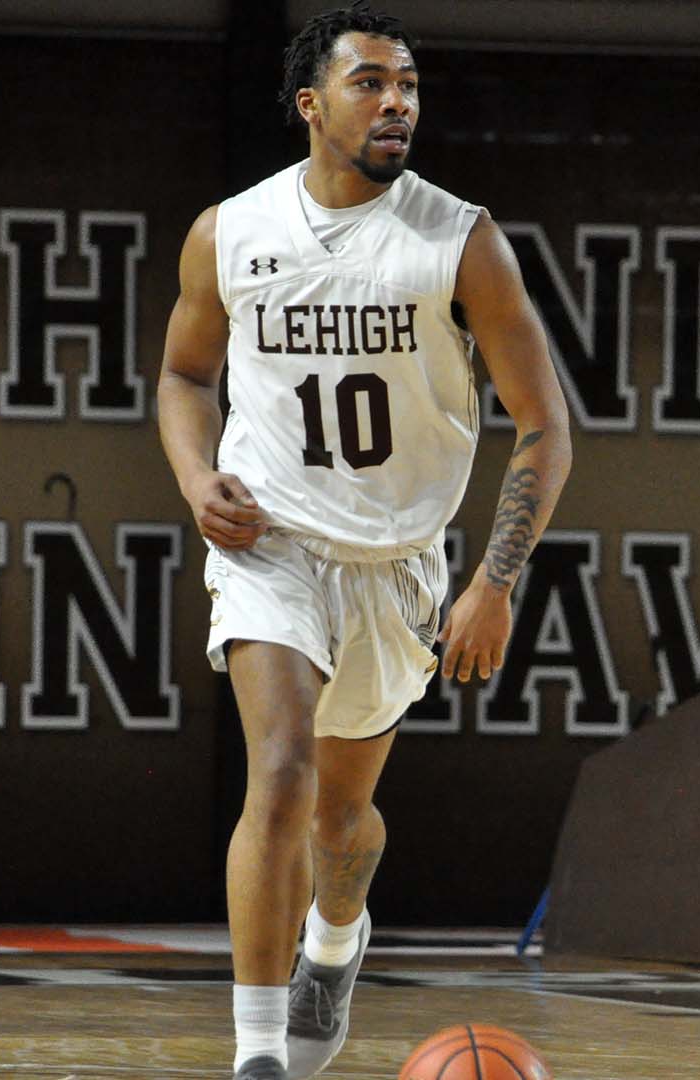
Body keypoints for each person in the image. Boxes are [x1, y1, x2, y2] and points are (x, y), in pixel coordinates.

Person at [155, 4, 571, 1078]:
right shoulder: (230, 231)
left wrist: (495, 582)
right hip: (273, 541)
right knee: (282, 772)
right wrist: (198, 479)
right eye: (371, 83)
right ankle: (259, 1056)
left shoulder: (460, 240)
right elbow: (185, 375)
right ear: (311, 104)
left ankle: (336, 944)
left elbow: (545, 425)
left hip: (397, 561)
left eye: (409, 86)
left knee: (342, 821)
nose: (397, 103)